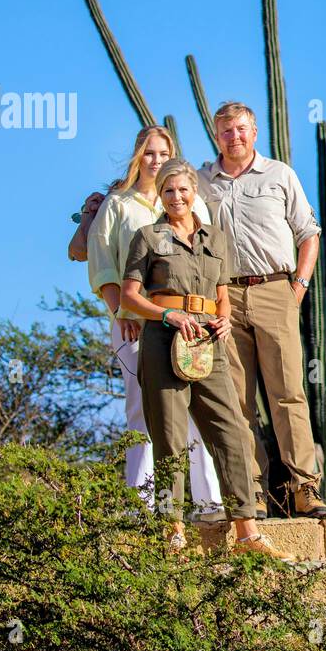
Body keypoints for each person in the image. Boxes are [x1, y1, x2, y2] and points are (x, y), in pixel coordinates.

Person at [121, 158, 292, 559]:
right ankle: (173, 528)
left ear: (194, 193)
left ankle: (247, 531)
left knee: (231, 430)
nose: (176, 197)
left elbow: (222, 294)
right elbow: (130, 295)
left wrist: (226, 320)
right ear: (160, 196)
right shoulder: (147, 238)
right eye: (168, 191)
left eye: (183, 190)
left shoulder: (215, 238)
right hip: (163, 338)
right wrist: (167, 314)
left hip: (208, 341)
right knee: (170, 435)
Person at [82, 125, 225, 518]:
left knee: (197, 411)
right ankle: (141, 503)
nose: (156, 160)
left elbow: (210, 263)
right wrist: (122, 313)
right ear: (137, 157)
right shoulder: (118, 205)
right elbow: (103, 264)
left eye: (163, 153)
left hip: (192, 324)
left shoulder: (192, 203)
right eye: (149, 153)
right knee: (143, 412)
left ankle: (208, 501)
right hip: (136, 321)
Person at [196, 101, 326, 519]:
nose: (233, 137)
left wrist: (298, 287)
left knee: (288, 391)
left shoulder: (280, 175)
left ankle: (304, 487)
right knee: (237, 399)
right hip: (224, 297)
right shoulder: (201, 181)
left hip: (276, 288)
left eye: (240, 129)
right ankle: (251, 490)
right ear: (216, 136)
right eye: (225, 131)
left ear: (254, 132)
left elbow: (309, 233)